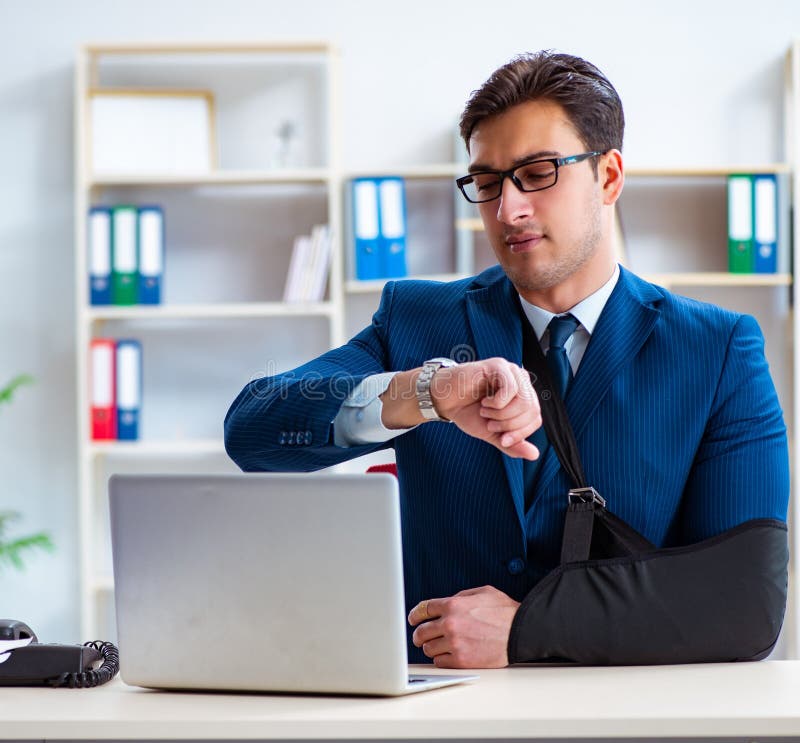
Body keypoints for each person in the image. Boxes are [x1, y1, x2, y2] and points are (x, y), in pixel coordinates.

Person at [225, 51, 789, 668]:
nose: (507, 211)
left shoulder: (718, 350)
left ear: (608, 177)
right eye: (488, 183)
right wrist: (427, 393)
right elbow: (252, 429)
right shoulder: (417, 320)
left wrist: (529, 628)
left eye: (538, 173)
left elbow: (744, 601)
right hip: (443, 710)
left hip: (629, 709)